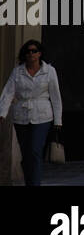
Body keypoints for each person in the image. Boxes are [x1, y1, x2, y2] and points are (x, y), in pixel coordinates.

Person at [0, 40, 62, 186]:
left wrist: (58, 120)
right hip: (21, 117)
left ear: (40, 54)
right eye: (28, 51)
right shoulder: (18, 71)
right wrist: (2, 113)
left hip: (42, 116)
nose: (31, 54)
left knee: (35, 151)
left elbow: (56, 96)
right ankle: (30, 182)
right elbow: (8, 93)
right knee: (26, 154)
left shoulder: (49, 71)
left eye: (34, 51)